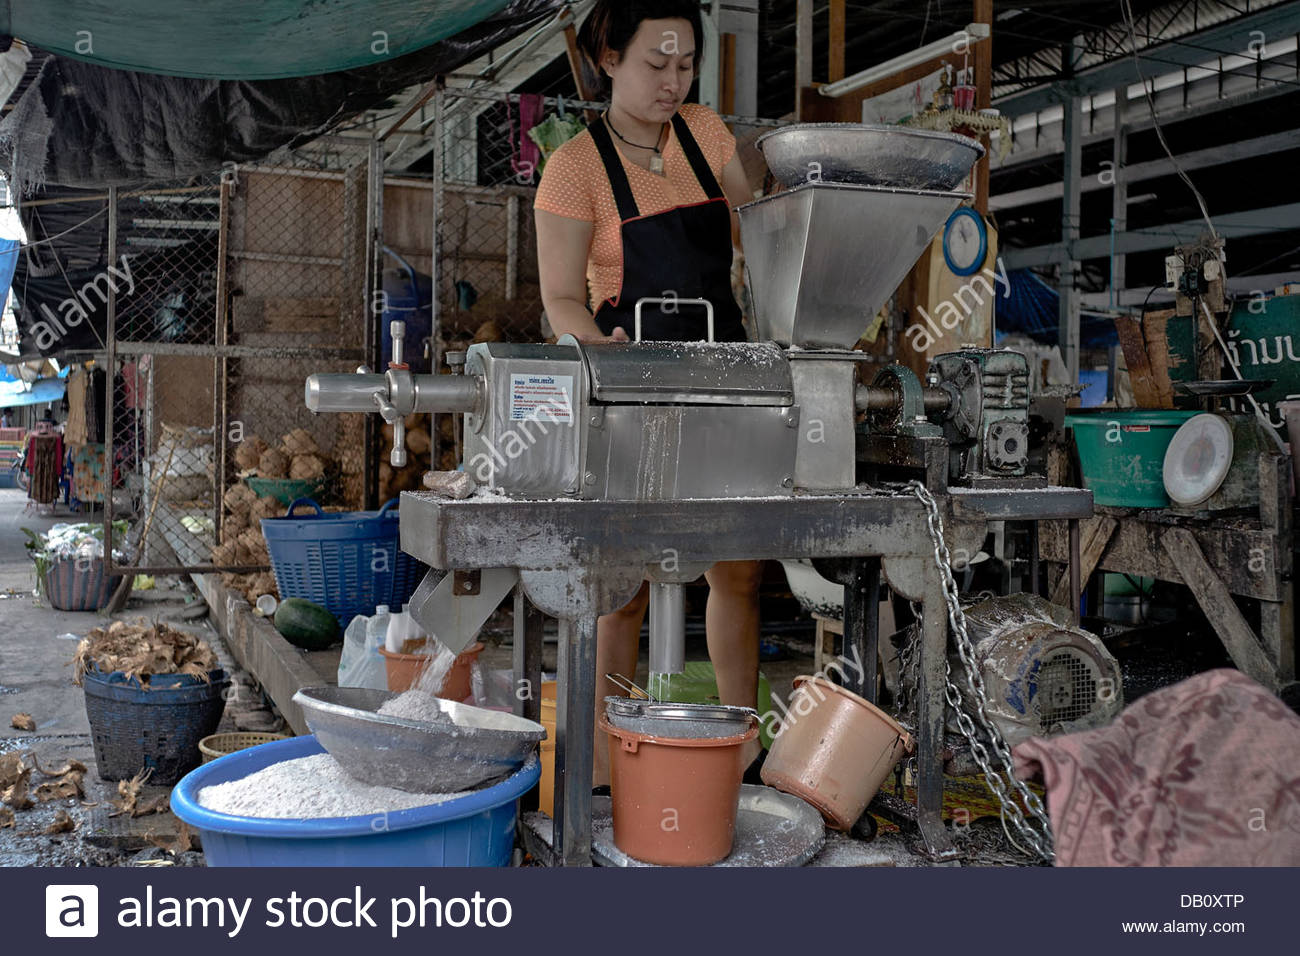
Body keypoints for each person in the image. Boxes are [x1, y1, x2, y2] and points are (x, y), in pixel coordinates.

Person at [534, 0, 764, 784]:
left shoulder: (705, 133)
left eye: (686, 64)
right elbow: (560, 295)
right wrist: (592, 342)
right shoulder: (574, 169)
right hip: (631, 384)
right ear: (608, 58)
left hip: (722, 378)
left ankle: (745, 749)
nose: (674, 81)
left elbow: (760, 229)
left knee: (737, 570)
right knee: (622, 587)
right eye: (655, 65)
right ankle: (605, 760)